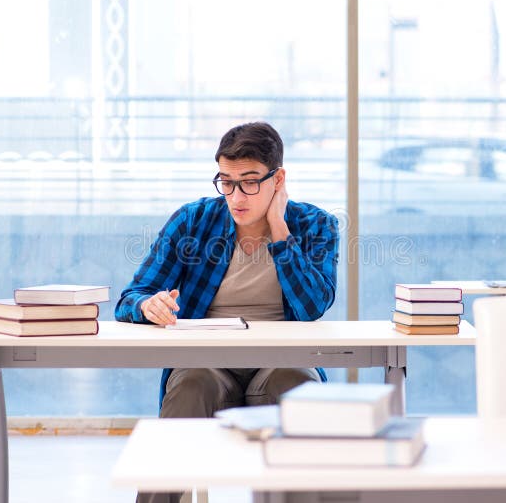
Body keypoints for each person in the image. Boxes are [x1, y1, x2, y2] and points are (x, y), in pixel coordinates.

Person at [115, 122, 339, 503]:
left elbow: (312, 306)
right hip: (208, 360)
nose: (236, 196)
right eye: (227, 181)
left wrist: (280, 231)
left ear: (278, 178)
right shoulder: (193, 221)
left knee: (298, 389)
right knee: (190, 385)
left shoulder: (316, 225)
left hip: (280, 359)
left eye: (250, 181)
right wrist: (147, 305)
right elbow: (131, 296)